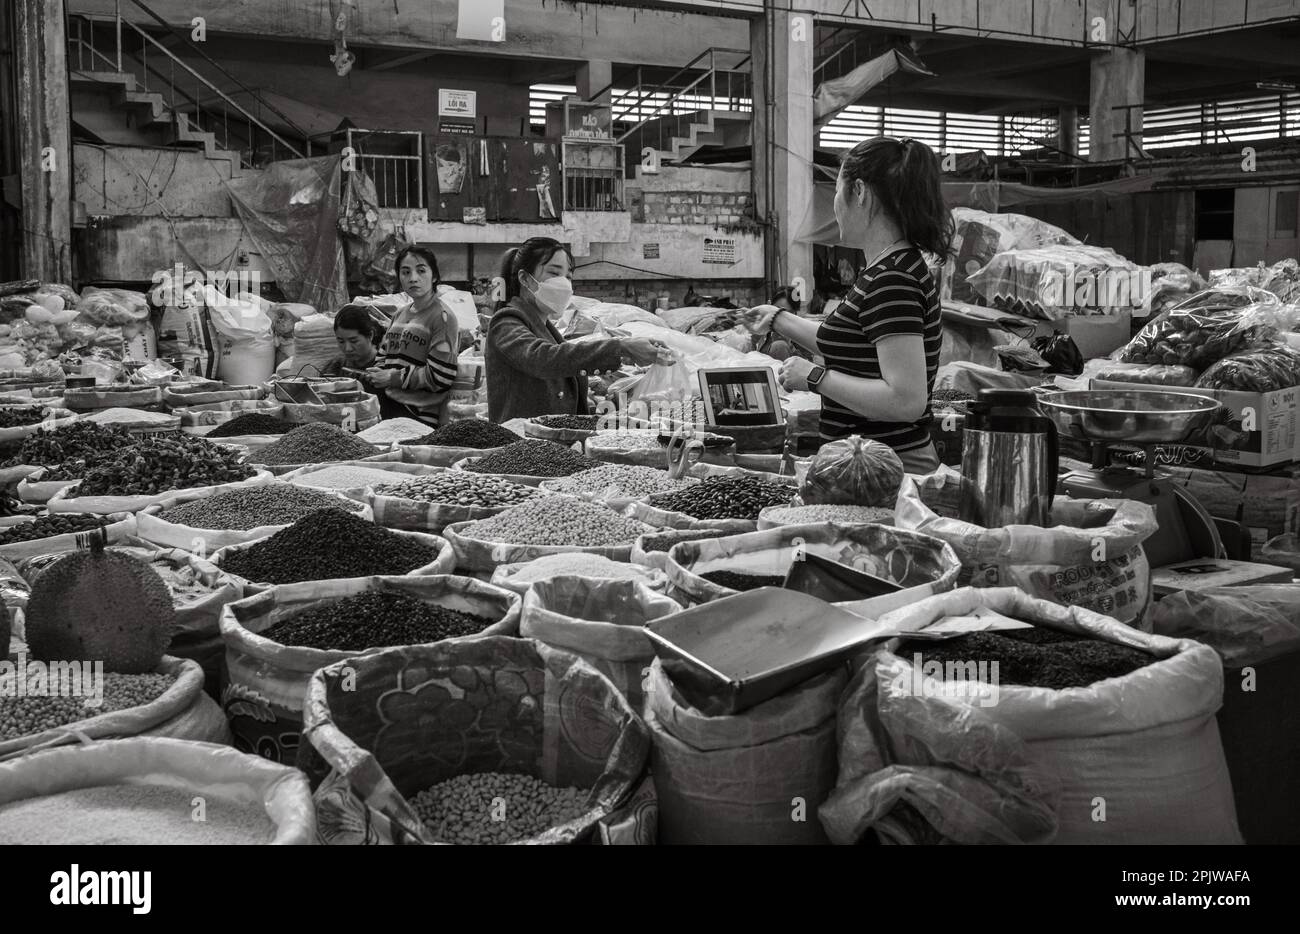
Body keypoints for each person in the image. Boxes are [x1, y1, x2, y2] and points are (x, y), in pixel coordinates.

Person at [740, 137, 951, 474]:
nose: (835, 203)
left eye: (837, 191)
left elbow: (906, 401)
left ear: (860, 193)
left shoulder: (892, 279)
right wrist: (777, 317)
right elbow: (844, 339)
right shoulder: (884, 267)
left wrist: (815, 377)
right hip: (868, 462)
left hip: (889, 467)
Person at [485, 236, 673, 422]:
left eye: (568, 277)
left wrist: (625, 356)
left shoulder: (546, 329)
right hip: (520, 443)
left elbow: (565, 363)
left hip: (550, 443)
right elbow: (543, 358)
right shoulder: (506, 322)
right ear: (525, 278)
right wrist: (621, 346)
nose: (564, 284)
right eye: (554, 273)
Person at [362, 245, 460, 425]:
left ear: (435, 276)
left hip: (417, 415)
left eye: (421, 271)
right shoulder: (399, 314)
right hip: (388, 405)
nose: (413, 278)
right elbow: (383, 356)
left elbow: (440, 377)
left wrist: (392, 377)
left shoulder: (443, 318)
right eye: (406, 272)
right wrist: (377, 373)